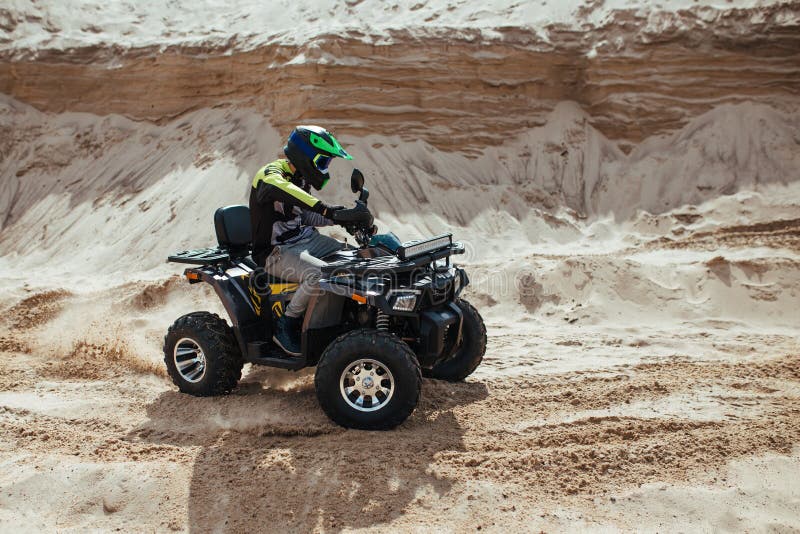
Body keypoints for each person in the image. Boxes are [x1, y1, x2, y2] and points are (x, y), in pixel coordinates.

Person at [249, 125, 370, 356]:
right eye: (322, 162)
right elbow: (282, 188)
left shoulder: (301, 179)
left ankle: (347, 318)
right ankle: (287, 323)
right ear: (305, 155)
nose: (325, 168)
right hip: (275, 252)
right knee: (319, 274)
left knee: (355, 258)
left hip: (306, 239)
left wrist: (342, 217)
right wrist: (328, 211)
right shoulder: (271, 174)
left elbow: (305, 215)